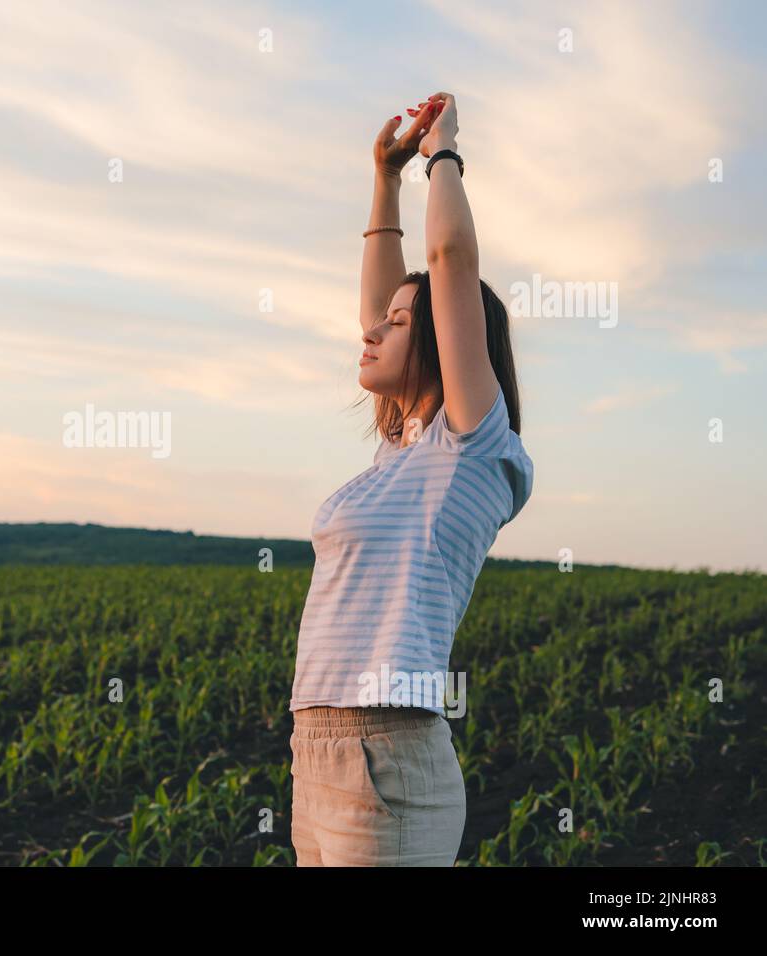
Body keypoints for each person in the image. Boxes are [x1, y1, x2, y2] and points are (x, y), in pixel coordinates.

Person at [289, 92, 534, 866]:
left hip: (387, 763)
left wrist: (443, 152)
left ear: (438, 339)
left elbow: (448, 264)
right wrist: (385, 180)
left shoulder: (467, 447)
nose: (371, 331)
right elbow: (385, 300)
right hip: (315, 755)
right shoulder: (400, 449)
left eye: (398, 325)